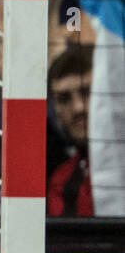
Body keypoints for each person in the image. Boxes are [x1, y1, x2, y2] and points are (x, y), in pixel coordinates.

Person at [46, 45, 95, 217]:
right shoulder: (60, 182)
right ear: (56, 112)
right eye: (64, 99)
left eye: (87, 92)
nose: (78, 108)